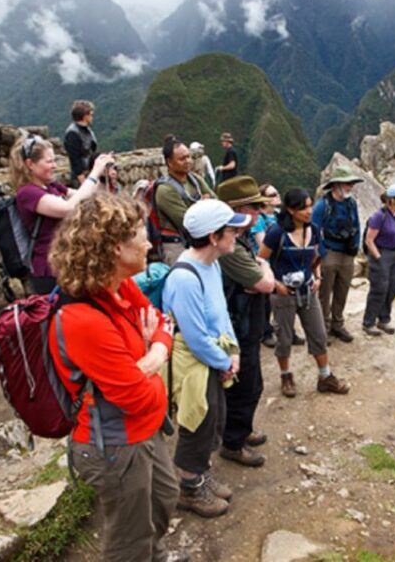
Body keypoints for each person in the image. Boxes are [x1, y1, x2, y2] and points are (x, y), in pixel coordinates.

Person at [47, 194, 181, 561]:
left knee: (164, 498)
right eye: (140, 234)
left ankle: (154, 555)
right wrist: (154, 351)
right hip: (115, 443)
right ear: (114, 248)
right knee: (128, 538)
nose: (149, 241)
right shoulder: (83, 319)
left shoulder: (120, 287)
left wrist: (147, 355)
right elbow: (139, 397)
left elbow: (164, 321)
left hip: (144, 430)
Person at [162, 199, 250, 518]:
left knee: (215, 416)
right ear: (213, 237)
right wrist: (224, 360)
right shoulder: (185, 278)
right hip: (193, 361)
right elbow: (196, 336)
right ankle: (189, 488)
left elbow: (220, 313)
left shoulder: (211, 266)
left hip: (213, 356)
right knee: (197, 419)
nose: (236, 235)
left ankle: (200, 474)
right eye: (231, 230)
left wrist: (233, 351)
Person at [258, 188, 349, 398]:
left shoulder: (314, 230)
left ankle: (325, 377)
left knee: (318, 333)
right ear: (290, 210)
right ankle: (286, 375)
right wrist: (275, 285)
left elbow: (317, 255)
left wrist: (317, 277)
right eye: (303, 207)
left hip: (308, 290)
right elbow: (261, 260)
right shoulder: (276, 233)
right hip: (283, 294)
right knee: (284, 337)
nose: (309, 211)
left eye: (310, 206)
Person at [216, 176, 276, 468]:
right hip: (239, 327)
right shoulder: (231, 249)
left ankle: (242, 429)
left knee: (252, 383)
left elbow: (260, 279)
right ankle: (233, 442)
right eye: (253, 207)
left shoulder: (238, 241)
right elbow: (264, 283)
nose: (257, 213)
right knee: (245, 386)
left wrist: (261, 273)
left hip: (248, 325)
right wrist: (263, 270)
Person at [10, 134, 113, 294]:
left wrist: (101, 176)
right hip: (47, 269)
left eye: (54, 161)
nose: (54, 166)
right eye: (49, 161)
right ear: (30, 164)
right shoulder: (27, 193)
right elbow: (68, 207)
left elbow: (84, 196)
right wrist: (94, 172)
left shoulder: (51, 186)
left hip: (65, 263)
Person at [312, 166, 363, 344]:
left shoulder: (351, 204)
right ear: (336, 185)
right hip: (330, 252)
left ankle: (337, 324)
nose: (350, 187)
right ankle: (323, 328)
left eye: (351, 183)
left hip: (347, 252)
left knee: (342, 290)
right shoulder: (322, 206)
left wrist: (355, 245)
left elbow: (356, 224)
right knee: (325, 293)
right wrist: (322, 252)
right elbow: (314, 230)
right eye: (347, 183)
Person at [154, 136, 216, 265]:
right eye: (182, 159)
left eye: (189, 157)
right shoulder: (165, 190)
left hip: (196, 241)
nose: (188, 161)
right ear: (169, 162)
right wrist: (204, 204)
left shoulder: (195, 180)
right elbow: (188, 222)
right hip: (176, 246)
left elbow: (217, 203)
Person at [362, 184, 395, 336]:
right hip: (382, 253)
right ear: (392, 200)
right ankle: (368, 322)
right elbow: (369, 240)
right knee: (379, 289)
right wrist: (377, 256)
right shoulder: (379, 216)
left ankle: (384, 319)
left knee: (393, 287)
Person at [251, 183, 285, 348]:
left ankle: (285, 330)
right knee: (265, 302)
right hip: (264, 263)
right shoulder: (258, 220)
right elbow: (262, 243)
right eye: (272, 194)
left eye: (277, 193)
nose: (277, 196)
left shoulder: (279, 215)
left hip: (279, 261)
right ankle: (265, 332)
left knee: (283, 298)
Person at [63, 100, 98, 185]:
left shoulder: (87, 130)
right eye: (91, 114)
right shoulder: (72, 134)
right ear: (85, 115)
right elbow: (75, 160)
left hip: (89, 173)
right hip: (80, 178)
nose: (92, 116)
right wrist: (83, 183)